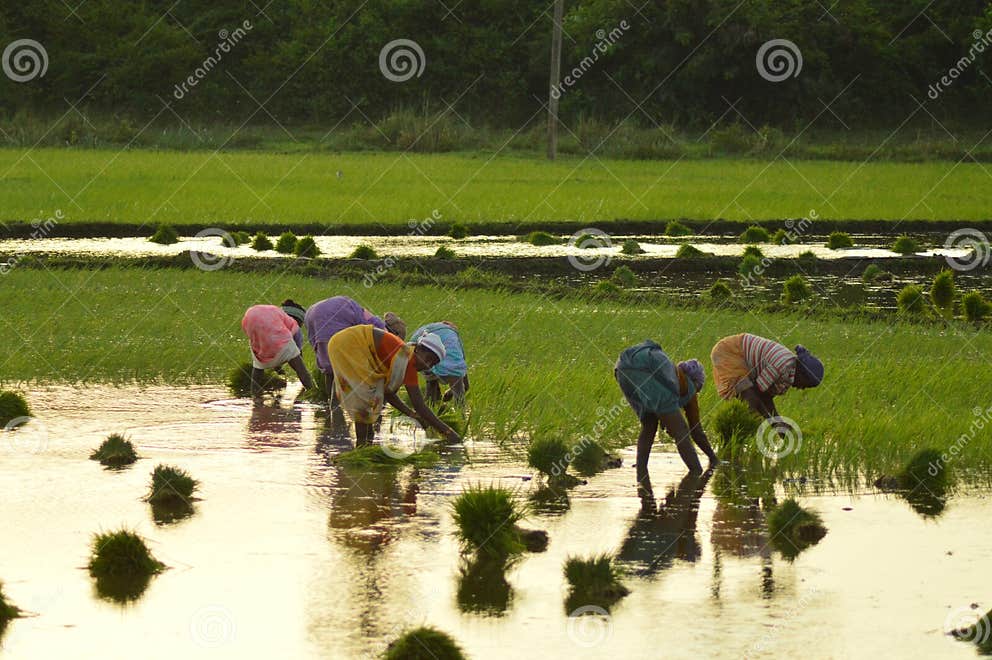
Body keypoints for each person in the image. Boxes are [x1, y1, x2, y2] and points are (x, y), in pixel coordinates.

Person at [326, 324, 461, 445]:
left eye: (432, 364)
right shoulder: (406, 360)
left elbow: (387, 392)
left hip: (343, 342)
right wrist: (449, 433)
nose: (428, 365)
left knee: (369, 395)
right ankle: (362, 445)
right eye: (428, 359)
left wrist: (412, 415)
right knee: (365, 397)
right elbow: (419, 405)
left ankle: (365, 443)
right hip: (349, 344)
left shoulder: (404, 357)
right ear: (418, 349)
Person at [615, 340, 718, 477]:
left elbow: (661, 405)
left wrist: (667, 418)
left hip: (622, 368)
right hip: (646, 366)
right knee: (681, 431)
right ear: (696, 382)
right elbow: (696, 430)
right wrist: (713, 458)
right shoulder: (689, 386)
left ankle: (641, 471)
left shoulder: (669, 373)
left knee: (649, 424)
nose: (695, 394)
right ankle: (695, 473)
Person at [710, 333, 824, 434]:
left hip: (739, 354)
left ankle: (736, 437)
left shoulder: (788, 373)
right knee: (750, 401)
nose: (802, 388)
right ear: (802, 374)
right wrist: (775, 424)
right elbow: (757, 393)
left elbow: (766, 396)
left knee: (753, 404)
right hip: (730, 351)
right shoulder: (782, 364)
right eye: (806, 384)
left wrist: (779, 422)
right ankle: (734, 436)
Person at [303, 296, 407, 398]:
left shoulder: (374, 322)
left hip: (312, 312)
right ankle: (335, 405)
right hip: (338, 312)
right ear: (395, 335)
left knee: (329, 365)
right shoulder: (383, 333)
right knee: (337, 365)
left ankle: (332, 403)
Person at [241, 300, 315, 396]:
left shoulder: (275, 313)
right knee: (300, 368)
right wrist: (299, 366)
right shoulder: (293, 324)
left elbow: (273, 343)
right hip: (256, 320)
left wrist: (278, 368)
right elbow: (297, 354)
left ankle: (255, 394)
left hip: (249, 318)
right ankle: (311, 389)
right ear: (299, 320)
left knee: (258, 366)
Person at [410, 321, 469, 404]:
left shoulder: (426, 332)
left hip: (421, 354)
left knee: (431, 386)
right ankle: (460, 412)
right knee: (459, 393)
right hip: (452, 364)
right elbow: (464, 378)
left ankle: (431, 406)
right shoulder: (453, 341)